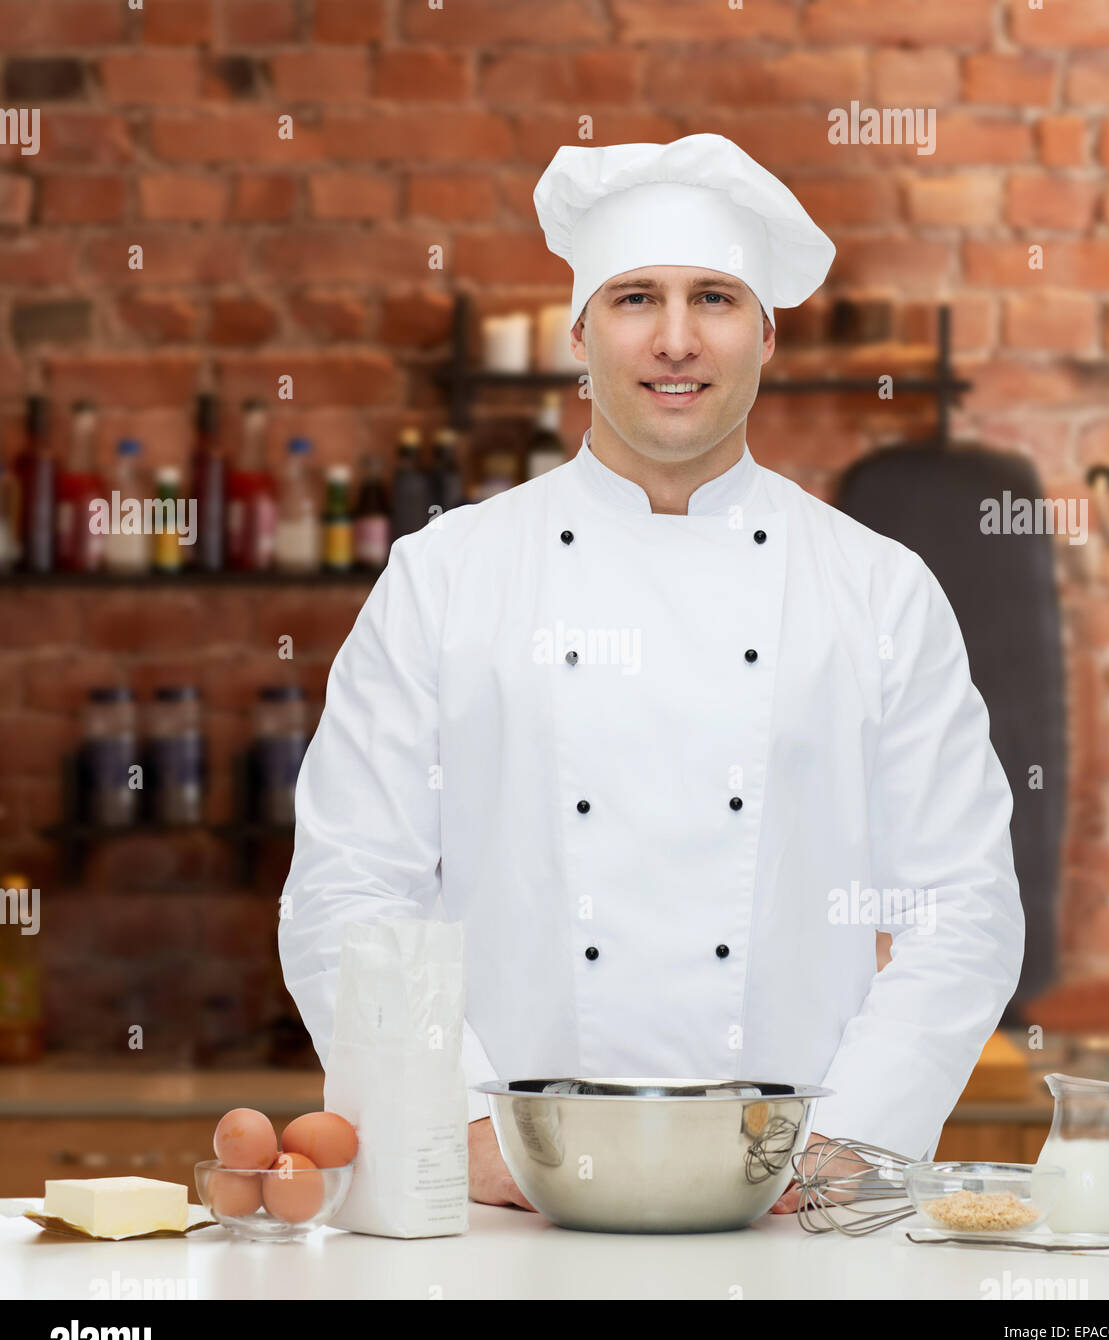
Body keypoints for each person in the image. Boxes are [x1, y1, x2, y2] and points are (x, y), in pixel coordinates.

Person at [279, 133, 1025, 1217]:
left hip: (793, 1229)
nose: (675, 340)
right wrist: (471, 1133)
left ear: (766, 332)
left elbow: (960, 907)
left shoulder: (878, 590)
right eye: (635, 298)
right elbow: (348, 892)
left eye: (714, 298)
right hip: (508, 1223)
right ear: (580, 333)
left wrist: (843, 1149)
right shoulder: (443, 577)